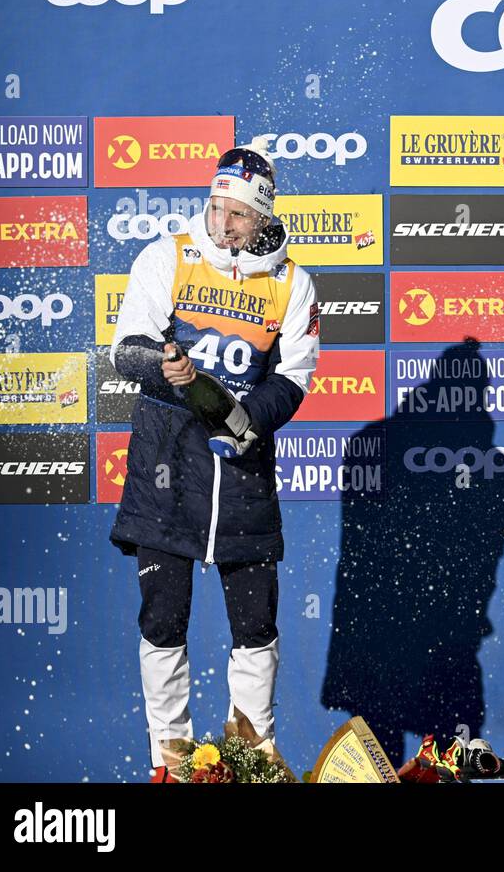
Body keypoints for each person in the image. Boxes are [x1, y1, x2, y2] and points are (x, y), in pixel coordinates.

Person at [109, 139, 319, 780]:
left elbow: (295, 376)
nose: (222, 224)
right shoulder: (166, 256)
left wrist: (247, 418)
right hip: (166, 468)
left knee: (255, 625)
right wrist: (163, 366)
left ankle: (253, 760)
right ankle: (170, 763)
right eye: (215, 207)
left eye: (237, 214)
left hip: (242, 472)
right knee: (163, 620)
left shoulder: (294, 282)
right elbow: (126, 348)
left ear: (263, 217)